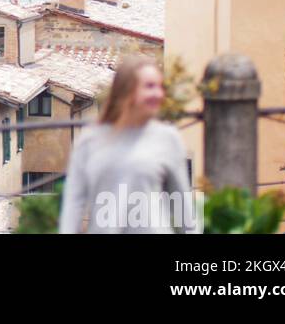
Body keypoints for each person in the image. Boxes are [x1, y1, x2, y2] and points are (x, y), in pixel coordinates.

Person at [59, 56, 194, 233]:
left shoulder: (168, 138)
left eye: (160, 87)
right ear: (126, 91)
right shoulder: (90, 141)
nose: (159, 94)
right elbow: (73, 204)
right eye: (150, 86)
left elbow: (183, 208)